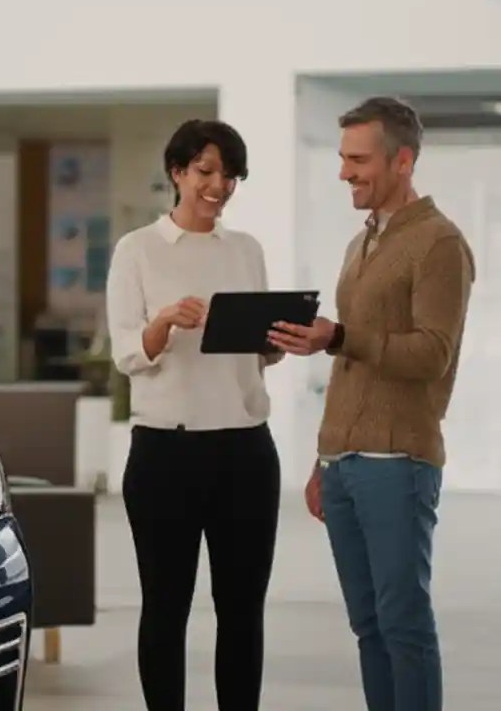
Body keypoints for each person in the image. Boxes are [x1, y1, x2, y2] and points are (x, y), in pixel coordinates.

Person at [267, 96, 475, 711]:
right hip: (345, 464)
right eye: (341, 158)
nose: (344, 173)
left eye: (357, 160)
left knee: (404, 625)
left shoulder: (439, 244)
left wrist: (338, 336)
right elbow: (352, 365)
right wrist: (322, 458)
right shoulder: (363, 244)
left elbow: (432, 354)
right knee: (368, 628)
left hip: (398, 461)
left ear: (403, 160)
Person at [106, 118, 284, 711]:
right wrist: (162, 323)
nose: (219, 185)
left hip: (245, 451)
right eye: (206, 171)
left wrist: (270, 341)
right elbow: (128, 352)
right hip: (166, 454)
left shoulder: (246, 250)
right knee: (166, 607)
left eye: (230, 175)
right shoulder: (137, 250)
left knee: (243, 611)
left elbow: (258, 357)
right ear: (177, 172)